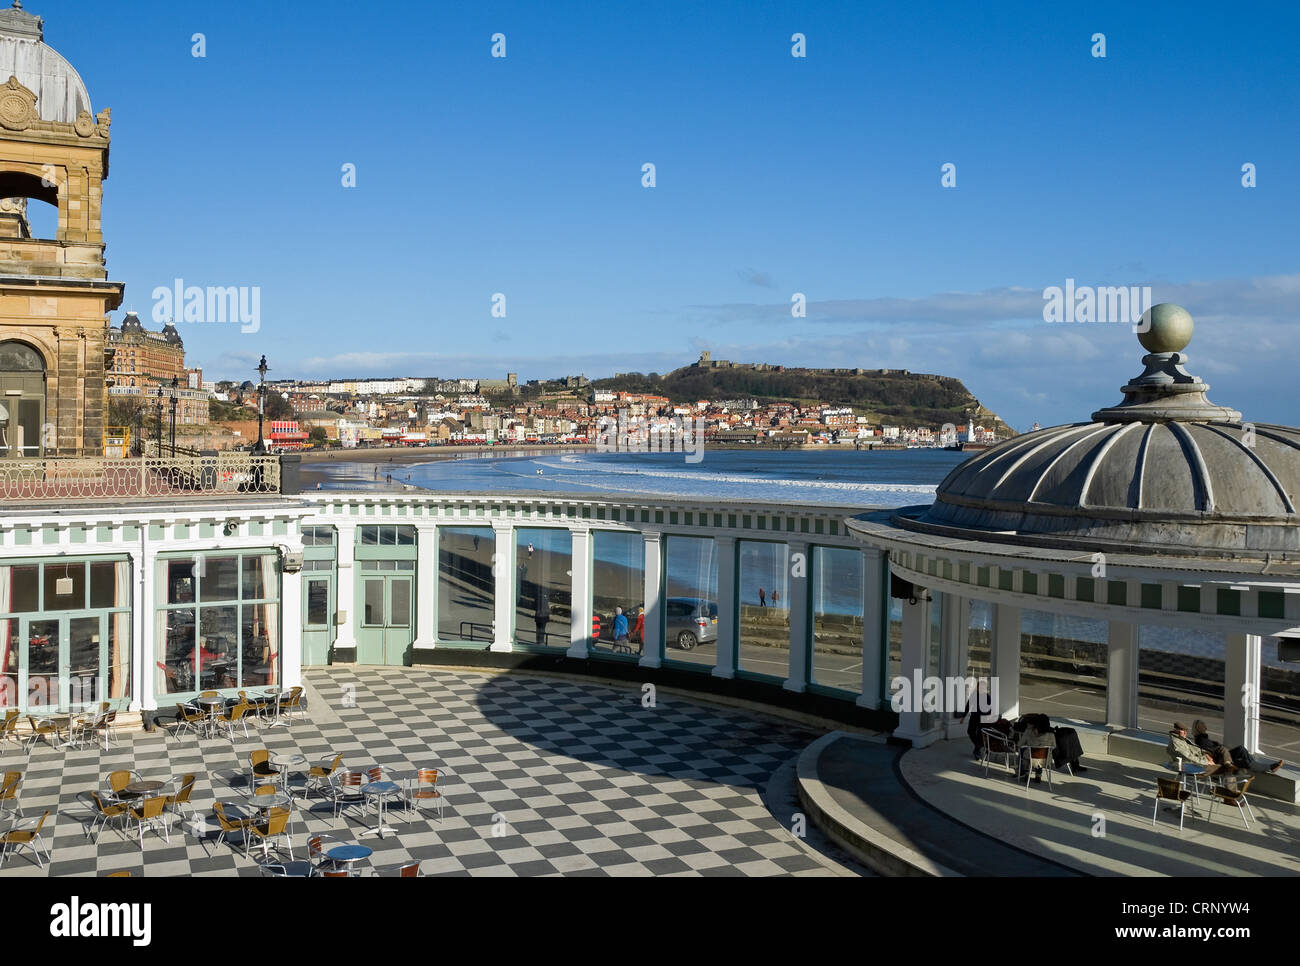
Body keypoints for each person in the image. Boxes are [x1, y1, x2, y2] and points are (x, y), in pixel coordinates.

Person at [1193, 719, 1283, 774]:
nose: (1205, 727)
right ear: (1198, 728)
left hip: (1222, 755)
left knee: (1241, 749)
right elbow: (1213, 751)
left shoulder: (1203, 738)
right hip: (1221, 759)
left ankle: (1258, 764)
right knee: (1246, 762)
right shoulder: (1201, 740)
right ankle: (1269, 768)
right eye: (1203, 726)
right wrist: (1220, 746)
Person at [1168, 722, 1234, 775]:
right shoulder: (1176, 743)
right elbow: (1189, 757)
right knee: (1227, 768)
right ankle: (1230, 790)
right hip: (1194, 767)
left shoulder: (1182, 740)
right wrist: (1207, 762)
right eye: (1182, 731)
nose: (1185, 733)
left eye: (1186, 731)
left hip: (1199, 763)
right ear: (1175, 730)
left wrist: (1207, 756)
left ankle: (1228, 764)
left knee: (1223, 753)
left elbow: (1197, 750)